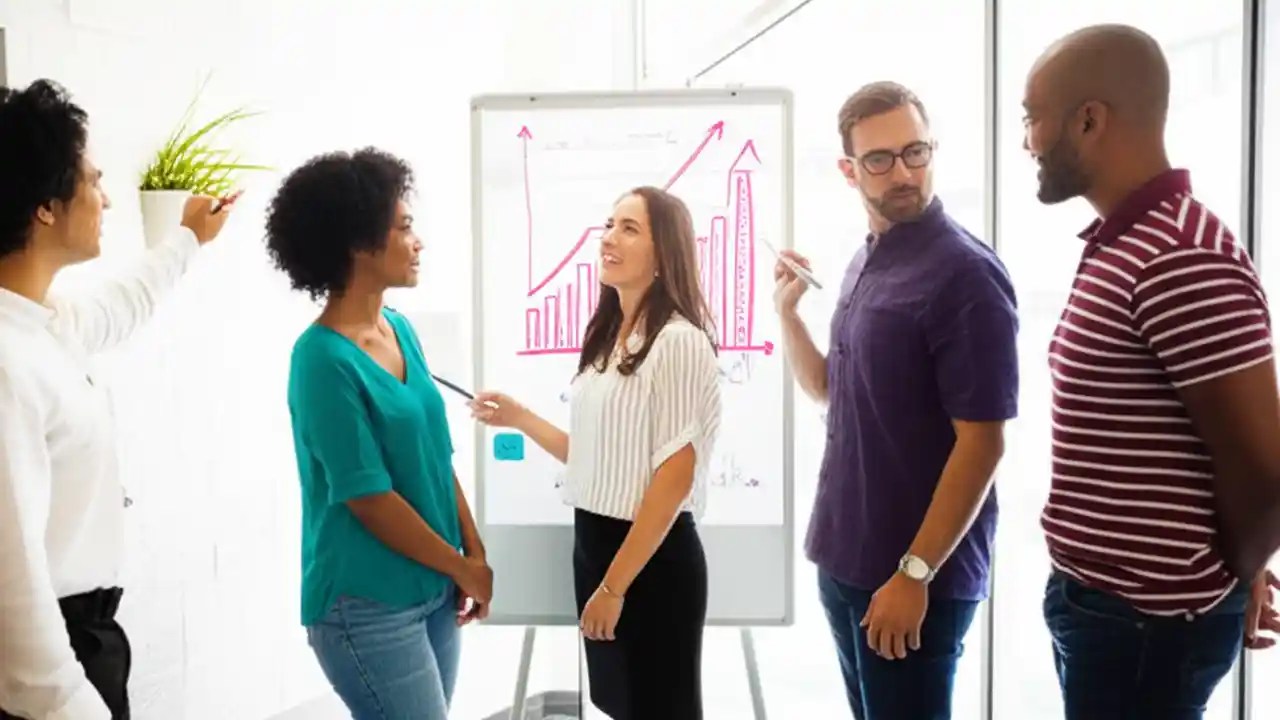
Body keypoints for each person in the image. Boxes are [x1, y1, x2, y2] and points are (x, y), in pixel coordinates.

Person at [1023, 24, 1280, 719]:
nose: (1027, 142)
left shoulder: (1180, 257)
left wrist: (1234, 574)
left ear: (1089, 120)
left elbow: (1265, 470)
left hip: (1148, 627)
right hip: (1110, 615)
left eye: (1033, 118)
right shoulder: (1126, 244)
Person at [772, 81, 1019, 719]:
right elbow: (830, 391)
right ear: (849, 170)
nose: (903, 171)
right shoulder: (866, 259)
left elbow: (984, 443)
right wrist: (789, 317)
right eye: (880, 159)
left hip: (913, 579)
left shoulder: (966, 275)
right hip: (845, 560)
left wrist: (915, 573)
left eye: (916, 151)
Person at [0, 79, 238, 719]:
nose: (106, 197)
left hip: (87, 645)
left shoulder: (46, 321)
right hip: (53, 673)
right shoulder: (7, 360)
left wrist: (187, 240)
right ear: (46, 206)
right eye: (93, 179)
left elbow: (121, 306)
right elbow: (10, 568)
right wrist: (70, 703)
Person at [470, 185, 721, 719]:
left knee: (657, 708)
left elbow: (675, 476)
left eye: (629, 228)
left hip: (646, 563)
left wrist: (614, 586)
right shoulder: (611, 339)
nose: (608, 237)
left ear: (664, 253)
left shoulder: (677, 341)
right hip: (598, 545)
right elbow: (599, 459)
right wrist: (520, 418)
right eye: (610, 224)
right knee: (620, 703)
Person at [264, 147, 491, 720]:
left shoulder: (400, 328)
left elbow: (434, 459)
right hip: (364, 606)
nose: (418, 242)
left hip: (434, 590)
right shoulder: (320, 360)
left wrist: (471, 548)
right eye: (405, 227)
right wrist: (460, 566)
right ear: (359, 243)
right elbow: (369, 498)